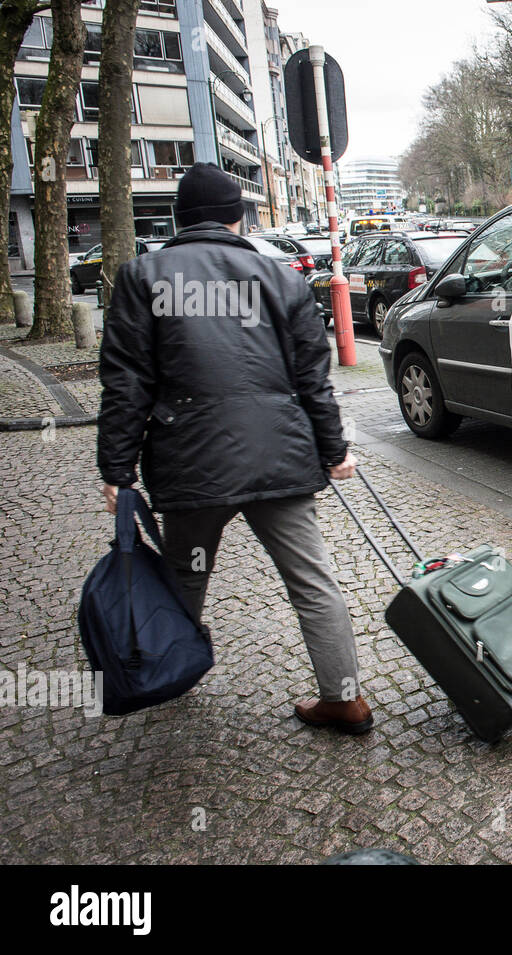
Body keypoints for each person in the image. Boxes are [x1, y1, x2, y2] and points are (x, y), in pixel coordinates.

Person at [97, 162, 373, 734]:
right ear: (238, 217)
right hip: (279, 457)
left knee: (187, 574)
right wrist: (333, 449)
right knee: (312, 581)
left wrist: (118, 470)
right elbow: (311, 379)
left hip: (193, 462)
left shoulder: (144, 275)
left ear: (179, 217)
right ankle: (344, 698)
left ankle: (169, 670)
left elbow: (127, 382)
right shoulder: (282, 279)